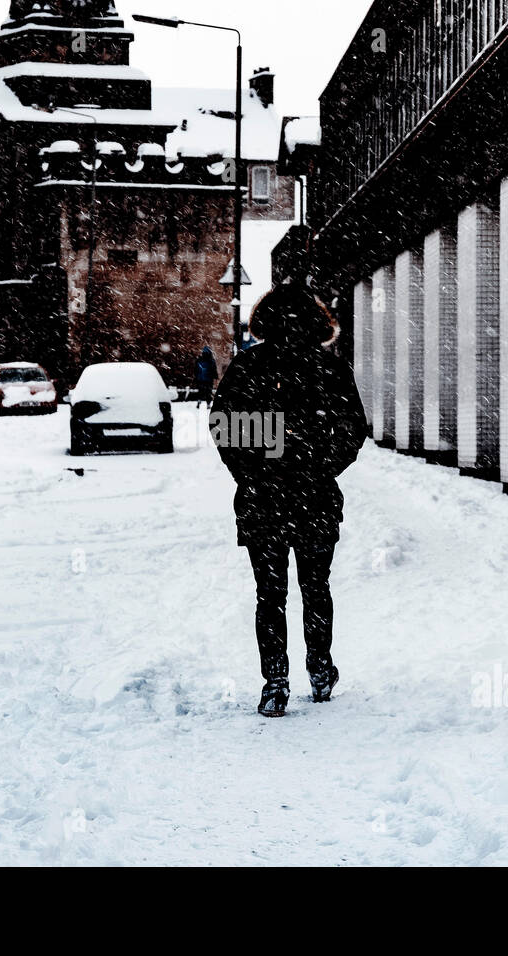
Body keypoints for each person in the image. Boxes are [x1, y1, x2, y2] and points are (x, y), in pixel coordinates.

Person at [211, 285, 368, 717]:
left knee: (270, 594)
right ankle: (319, 668)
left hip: (263, 499)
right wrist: (317, 466)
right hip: (314, 498)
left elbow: (225, 428)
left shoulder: (249, 366)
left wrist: (258, 469)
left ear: (264, 320)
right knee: (315, 588)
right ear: (319, 321)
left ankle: (275, 683)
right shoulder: (329, 369)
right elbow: (352, 431)